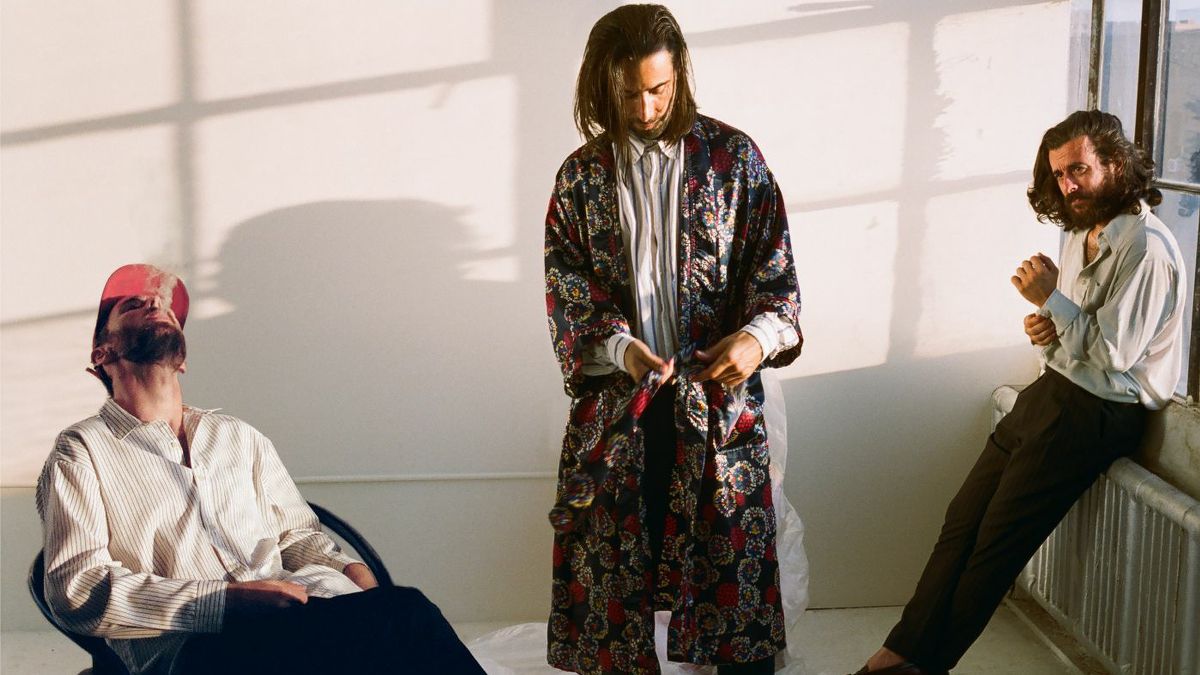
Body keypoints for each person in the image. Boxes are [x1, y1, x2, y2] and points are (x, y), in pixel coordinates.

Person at [853, 110, 1186, 675]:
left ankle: (923, 666)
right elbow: (1079, 335)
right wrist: (1047, 327)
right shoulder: (1082, 232)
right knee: (961, 523)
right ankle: (897, 652)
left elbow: (1113, 353)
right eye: (1059, 174)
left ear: (1115, 164)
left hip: (1097, 412)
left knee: (995, 547)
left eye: (1079, 169)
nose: (1068, 185)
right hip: (1052, 392)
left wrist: (1051, 300)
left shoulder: (1147, 248)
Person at [36, 263, 484, 675]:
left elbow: (297, 536)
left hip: (309, 612)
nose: (156, 302)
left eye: (166, 308)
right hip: (196, 648)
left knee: (402, 616)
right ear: (103, 353)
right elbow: (77, 588)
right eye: (133, 305)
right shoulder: (82, 451)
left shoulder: (239, 437)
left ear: (182, 360)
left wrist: (353, 573)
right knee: (404, 620)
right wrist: (223, 602)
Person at [543, 5, 804, 674]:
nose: (646, 107)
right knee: (614, 589)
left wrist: (755, 339)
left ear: (679, 73)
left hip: (716, 408)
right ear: (602, 84)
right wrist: (621, 348)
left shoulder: (734, 159)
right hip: (621, 411)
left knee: (732, 584)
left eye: (658, 88)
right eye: (629, 92)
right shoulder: (580, 178)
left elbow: (776, 278)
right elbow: (567, 287)